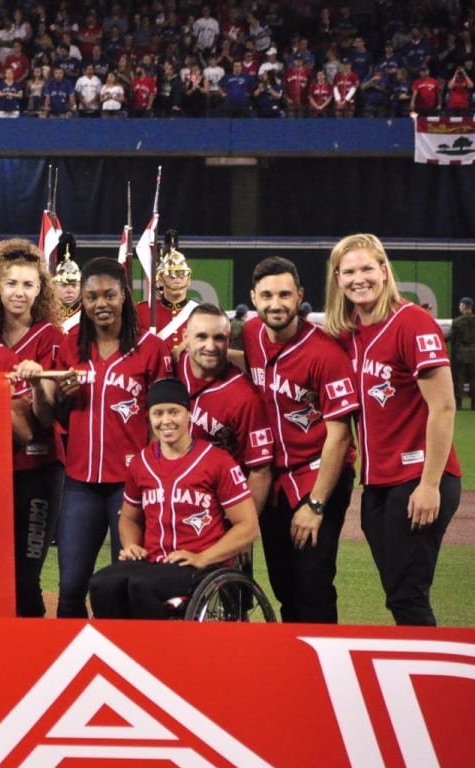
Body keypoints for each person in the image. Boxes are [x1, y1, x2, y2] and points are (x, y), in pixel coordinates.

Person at [324, 235, 460, 626]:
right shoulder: (350, 331)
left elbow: (444, 407)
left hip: (417, 478)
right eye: (349, 271)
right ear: (338, 278)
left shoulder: (412, 322)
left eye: (367, 268)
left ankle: (429, 665)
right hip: (378, 484)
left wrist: (429, 484)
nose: (359, 279)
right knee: (399, 596)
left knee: (407, 596)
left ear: (384, 271)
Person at [50, 257, 170, 618]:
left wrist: (157, 475)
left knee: (126, 583)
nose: (100, 303)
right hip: (79, 482)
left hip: (129, 485)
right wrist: (61, 397)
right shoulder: (70, 345)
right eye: (91, 297)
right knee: (71, 585)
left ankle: (123, 650)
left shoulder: (151, 348)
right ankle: (69, 649)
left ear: (124, 296)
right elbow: (56, 415)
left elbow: (164, 420)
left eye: (109, 295)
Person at [242, 256, 358, 623]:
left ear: (300, 296)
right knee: (284, 585)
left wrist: (316, 505)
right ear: (253, 297)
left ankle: (325, 656)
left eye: (284, 294)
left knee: (313, 585)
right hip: (274, 480)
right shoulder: (251, 335)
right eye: (266, 295)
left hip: (319, 474)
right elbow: (253, 368)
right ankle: (293, 653)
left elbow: (341, 436)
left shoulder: (325, 353)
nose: (275, 304)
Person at [87, 378, 260, 619]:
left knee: (142, 586)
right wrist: (131, 546)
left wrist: (202, 558)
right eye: (158, 413)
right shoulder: (141, 462)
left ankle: (157, 643)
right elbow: (129, 517)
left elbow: (248, 527)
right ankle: (120, 642)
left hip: (201, 565)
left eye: (174, 412)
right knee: (101, 584)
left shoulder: (217, 461)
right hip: (153, 563)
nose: (166, 420)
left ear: (189, 414)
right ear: (149, 418)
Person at [0, 240, 67, 618]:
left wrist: (36, 384)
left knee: (25, 576)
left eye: (28, 284)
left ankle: (35, 647)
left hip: (38, 469)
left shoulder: (52, 338)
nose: (19, 292)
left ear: (40, 290)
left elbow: (45, 418)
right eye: (11, 283)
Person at [177, 304, 274, 509]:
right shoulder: (171, 368)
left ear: (229, 341)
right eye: (201, 337)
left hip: (217, 507)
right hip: (170, 501)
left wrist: (244, 523)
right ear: (186, 337)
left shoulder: (245, 398)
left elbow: (260, 471)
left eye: (219, 338)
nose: (210, 346)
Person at [136, 240, 197, 353]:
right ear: (159, 281)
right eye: (171, 275)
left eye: (182, 274)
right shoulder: (141, 311)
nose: (177, 279)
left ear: (189, 280)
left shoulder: (199, 311)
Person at [450, 297, 475, 410]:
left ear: (464, 306)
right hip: (474, 354)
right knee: (473, 379)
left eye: (460, 305)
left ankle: (458, 404)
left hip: (460, 355)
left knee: (459, 380)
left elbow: (453, 339)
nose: (459, 306)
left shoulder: (457, 322)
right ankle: (473, 405)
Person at [53, 250, 82, 333]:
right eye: (64, 285)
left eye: (74, 285)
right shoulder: (46, 313)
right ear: (54, 286)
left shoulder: (87, 314)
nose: (69, 291)